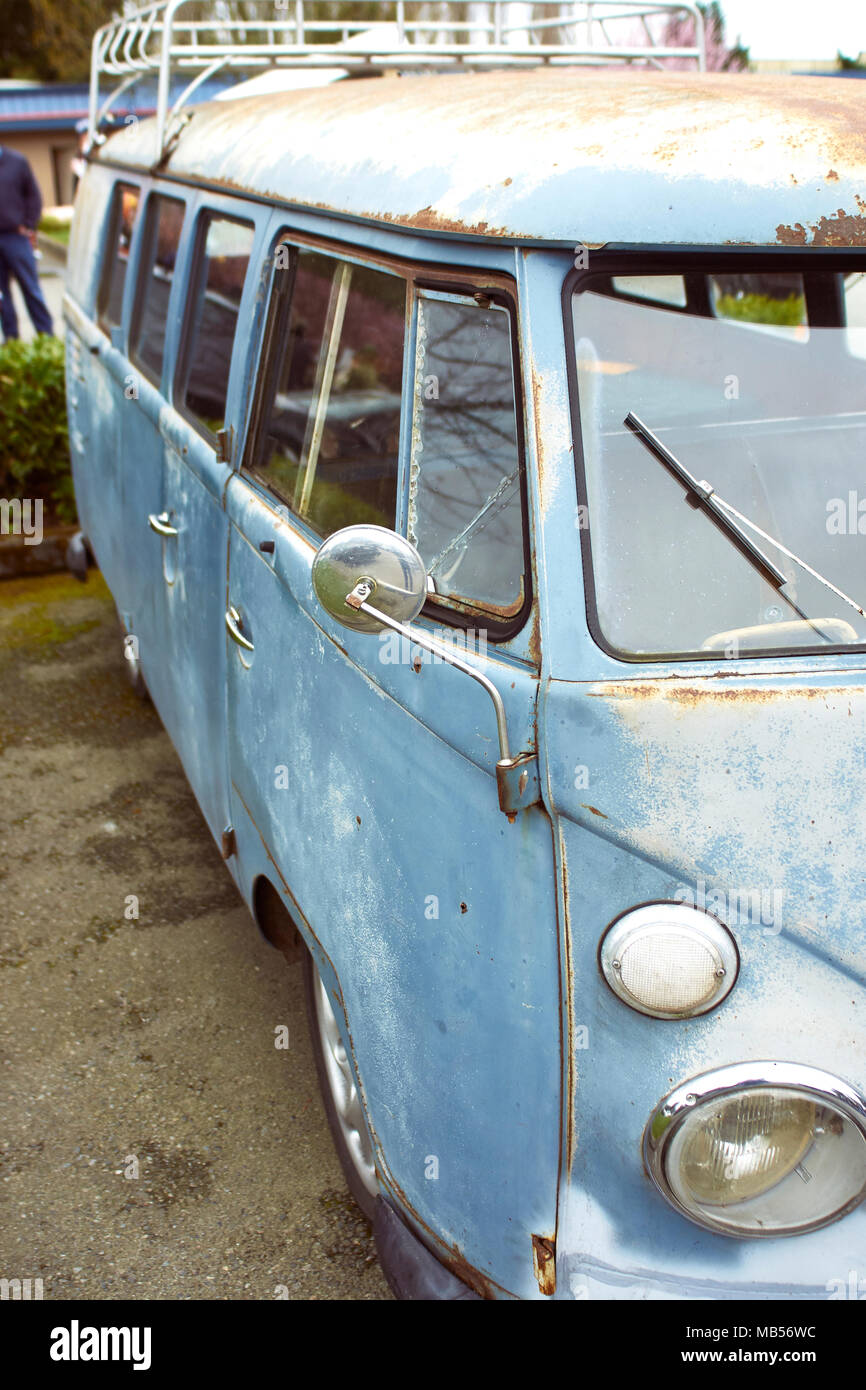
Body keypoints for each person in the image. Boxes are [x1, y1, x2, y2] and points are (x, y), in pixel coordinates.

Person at [0, 145, 54, 340]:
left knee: (31, 288)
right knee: (1, 295)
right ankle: (12, 340)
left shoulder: (17, 162)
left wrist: (29, 224)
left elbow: (34, 196)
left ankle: (46, 336)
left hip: (16, 237)